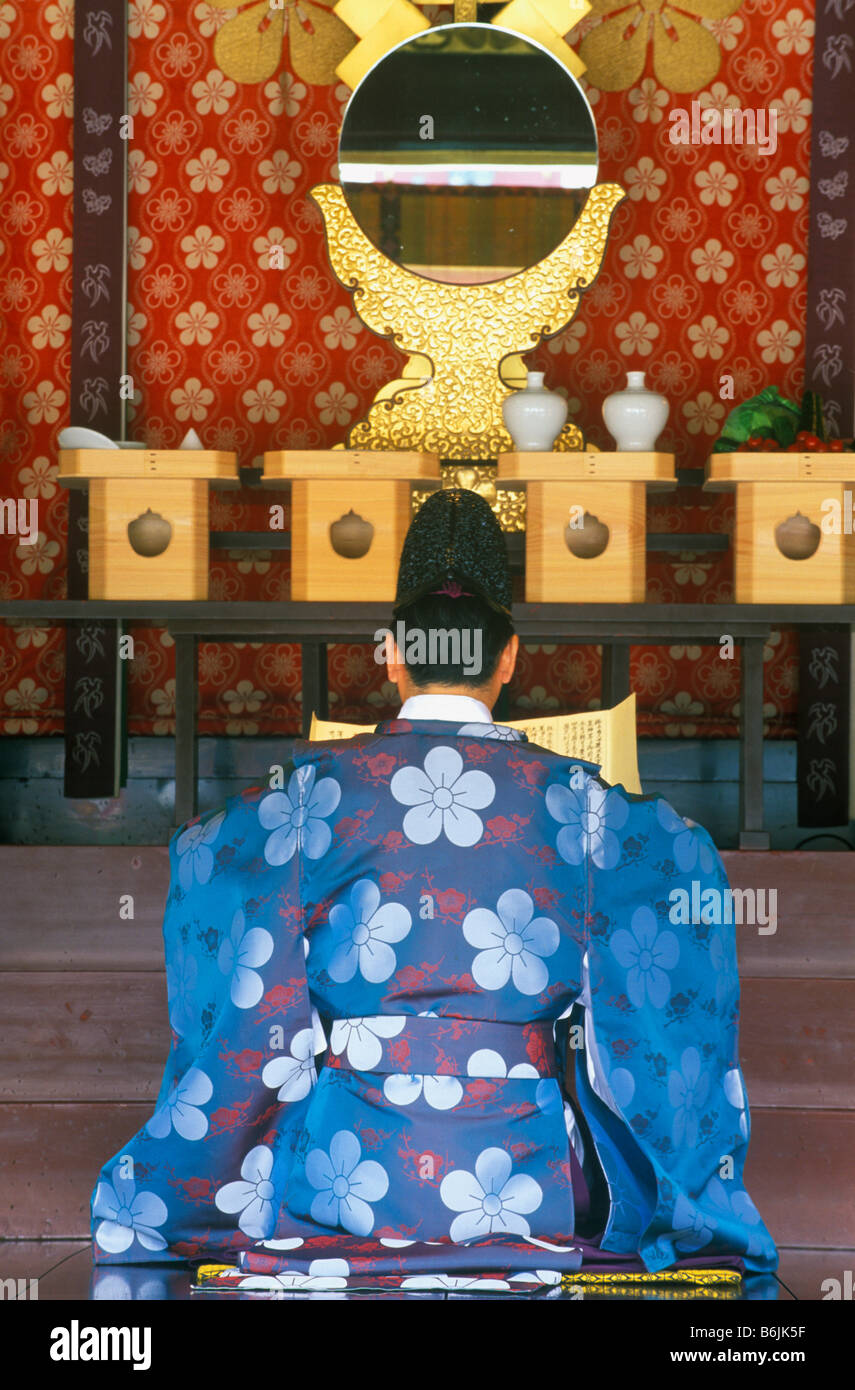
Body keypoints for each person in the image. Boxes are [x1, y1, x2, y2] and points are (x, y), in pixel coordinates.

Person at [90, 488, 777, 1295]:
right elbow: (685, 863)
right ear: (510, 657)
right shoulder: (586, 811)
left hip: (349, 1179)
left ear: (391, 654)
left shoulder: (309, 801)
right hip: (526, 1186)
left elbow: (206, 859)